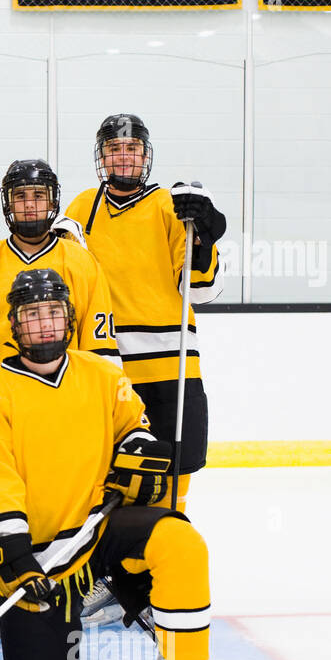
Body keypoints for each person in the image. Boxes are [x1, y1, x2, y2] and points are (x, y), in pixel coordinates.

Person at [0, 269, 221, 660]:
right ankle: (57, 612)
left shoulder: (102, 373)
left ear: (70, 319)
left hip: (100, 527)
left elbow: (133, 424)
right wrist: (15, 552)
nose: (44, 324)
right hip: (40, 552)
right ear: (14, 324)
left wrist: (138, 446)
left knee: (180, 541)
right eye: (32, 314)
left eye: (54, 314)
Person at [0, 159, 121, 642]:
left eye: (38, 197)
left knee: (69, 499)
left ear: (53, 203)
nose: (30, 206)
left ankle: (74, 578)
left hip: (63, 407)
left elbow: (100, 346)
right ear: (7, 204)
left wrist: (103, 408)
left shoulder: (79, 262)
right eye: (21, 197)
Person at [65, 113, 226, 624]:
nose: (124, 158)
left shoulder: (171, 205)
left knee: (176, 471)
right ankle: (117, 579)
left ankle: (163, 577)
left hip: (169, 366)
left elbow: (200, 290)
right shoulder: (80, 209)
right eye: (114, 150)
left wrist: (203, 238)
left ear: (146, 156)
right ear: (101, 158)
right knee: (112, 477)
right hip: (105, 368)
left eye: (132, 150)